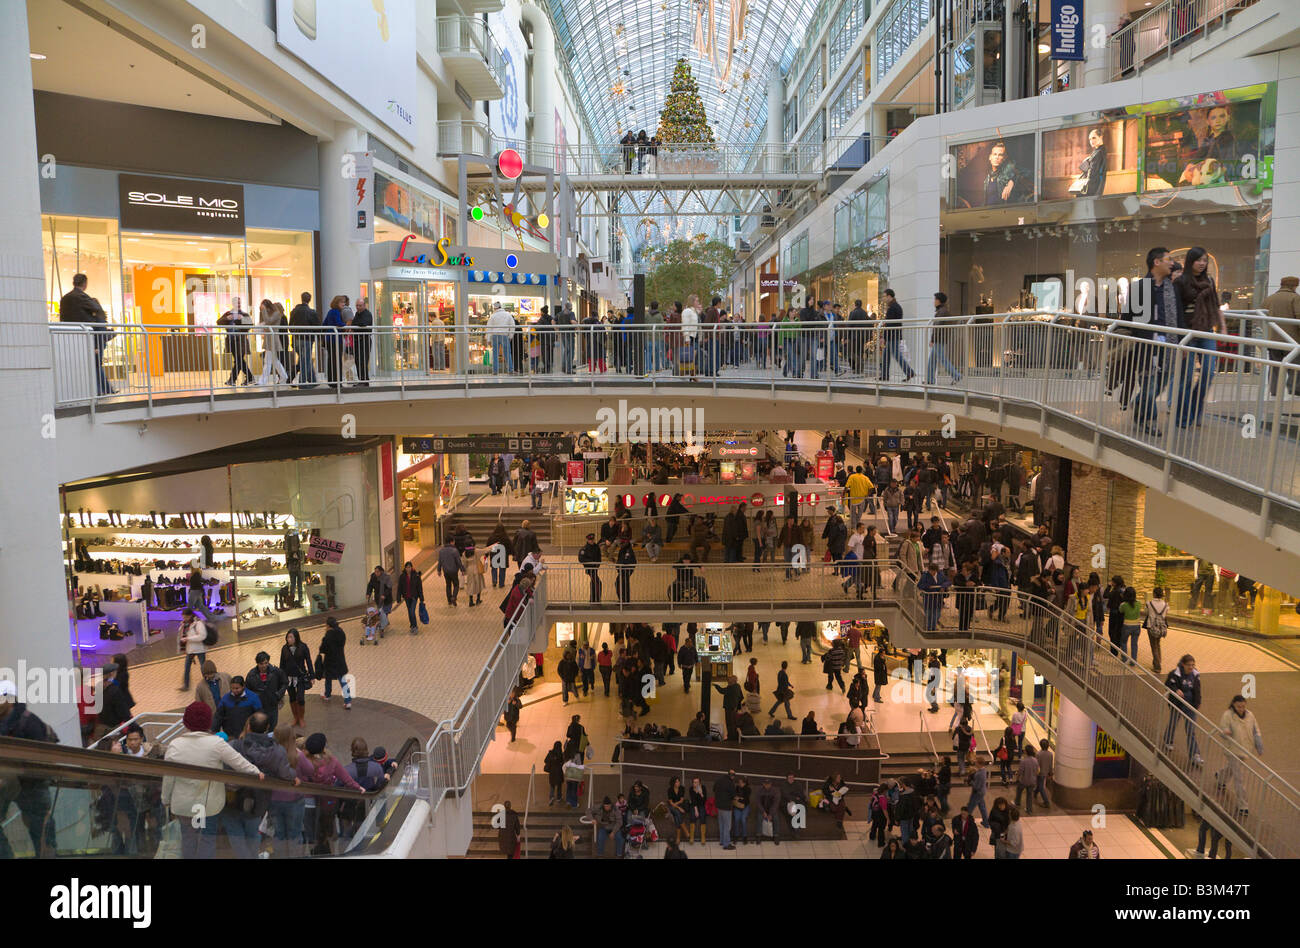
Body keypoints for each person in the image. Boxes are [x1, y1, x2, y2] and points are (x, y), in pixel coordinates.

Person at [161, 702, 263, 858]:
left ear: (186, 721)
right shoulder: (216, 743)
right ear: (209, 721)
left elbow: (169, 777)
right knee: (207, 839)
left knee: (188, 839)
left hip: (183, 805)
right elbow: (240, 763)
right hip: (207, 805)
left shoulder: (175, 745)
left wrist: (166, 799)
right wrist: (256, 772)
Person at [1173, 246, 1223, 428]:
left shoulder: (1209, 280)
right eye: (1198, 260)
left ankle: (1193, 412)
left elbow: (1216, 305)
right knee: (1186, 378)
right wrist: (1180, 339)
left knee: (1208, 373)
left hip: (1206, 331)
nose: (1202, 264)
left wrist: (1222, 327)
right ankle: (1182, 418)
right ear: (1190, 261)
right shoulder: (1180, 282)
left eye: (1204, 261)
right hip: (1187, 333)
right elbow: (1176, 312)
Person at [58, 272, 117, 395]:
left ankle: (102, 391)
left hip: (71, 335)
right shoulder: (82, 297)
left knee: (84, 365)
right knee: (95, 364)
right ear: (85, 284)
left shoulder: (65, 298)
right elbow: (97, 310)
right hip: (89, 336)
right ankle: (102, 391)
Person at [1218, 694, 1264, 814]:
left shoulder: (1250, 715)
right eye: (1239, 707)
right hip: (1232, 750)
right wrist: (1225, 732)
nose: (1241, 709)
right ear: (1234, 704)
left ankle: (1221, 778)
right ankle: (1243, 805)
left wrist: (1259, 745)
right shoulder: (1227, 715)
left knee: (1233, 768)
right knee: (1239, 778)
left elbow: (1256, 730)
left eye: (1243, 706)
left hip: (1245, 749)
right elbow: (1222, 730)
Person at [1163, 654, 1202, 764]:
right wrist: (1176, 690)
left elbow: (1198, 690)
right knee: (1173, 723)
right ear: (1183, 665)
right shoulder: (1175, 673)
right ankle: (1168, 740)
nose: (1191, 667)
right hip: (1177, 705)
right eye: (1189, 665)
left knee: (1191, 731)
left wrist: (1197, 702)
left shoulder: (1195, 674)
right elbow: (1168, 684)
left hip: (1190, 706)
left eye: (1193, 665)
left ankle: (1195, 754)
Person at [243, 651, 287, 731]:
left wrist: (278, 695)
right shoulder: (251, 674)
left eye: (266, 663)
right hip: (258, 706)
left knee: (272, 727)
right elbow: (247, 690)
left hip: (272, 705)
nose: (264, 666)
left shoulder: (276, 672)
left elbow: (284, 683)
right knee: (259, 727)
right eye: (261, 663)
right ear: (257, 663)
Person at [878, 289, 915, 382]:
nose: (884, 298)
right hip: (893, 335)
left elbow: (890, 324)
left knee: (897, 355)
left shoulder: (893, 307)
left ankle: (910, 372)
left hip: (892, 336)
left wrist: (884, 337)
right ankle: (884, 375)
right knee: (886, 356)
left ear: (890, 296)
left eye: (885, 296)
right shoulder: (895, 306)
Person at [926, 292, 963, 384]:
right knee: (932, 359)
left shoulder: (942, 312)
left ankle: (957, 376)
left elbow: (937, 327)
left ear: (939, 301)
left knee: (942, 359)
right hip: (940, 338)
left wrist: (933, 340)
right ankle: (930, 379)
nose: (933, 302)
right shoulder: (942, 311)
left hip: (939, 339)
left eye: (935, 299)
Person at [279, 629, 313, 728]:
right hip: (288, 677)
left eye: (291, 637)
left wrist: (312, 675)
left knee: (301, 698)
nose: (288, 639)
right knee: (292, 698)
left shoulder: (303, 647)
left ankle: (301, 718)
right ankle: (296, 717)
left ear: (296, 637)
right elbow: (282, 664)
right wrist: (281, 677)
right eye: (287, 637)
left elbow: (309, 661)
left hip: (300, 677)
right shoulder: (284, 648)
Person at [317, 616, 352, 710]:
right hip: (340, 660)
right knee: (343, 681)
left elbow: (322, 649)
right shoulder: (341, 632)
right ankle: (348, 701)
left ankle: (327, 695)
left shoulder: (328, 635)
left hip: (330, 661)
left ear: (328, 625)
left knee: (328, 679)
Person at [217, 298, 253, 386]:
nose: (239, 304)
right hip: (231, 340)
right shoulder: (228, 313)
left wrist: (241, 319)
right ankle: (249, 378)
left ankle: (232, 380)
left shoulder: (244, 314)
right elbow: (218, 322)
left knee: (238, 360)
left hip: (241, 340)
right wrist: (227, 318)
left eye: (240, 302)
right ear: (233, 304)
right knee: (239, 360)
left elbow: (250, 325)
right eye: (237, 303)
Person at [288, 291, 320, 385]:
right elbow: (317, 326)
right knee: (305, 360)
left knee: (305, 359)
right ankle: (302, 382)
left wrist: (295, 334)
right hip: (307, 339)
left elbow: (290, 326)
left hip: (296, 339)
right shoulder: (311, 312)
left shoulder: (294, 311)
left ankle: (313, 380)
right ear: (309, 300)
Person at [396, 561, 425, 634]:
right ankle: (412, 625)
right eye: (406, 567)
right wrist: (398, 597)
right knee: (409, 612)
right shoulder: (402, 576)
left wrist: (421, 598)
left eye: (409, 567)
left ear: (412, 568)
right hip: (406, 597)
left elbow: (419, 588)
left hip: (414, 597)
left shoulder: (416, 576)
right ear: (405, 568)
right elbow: (399, 587)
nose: (408, 569)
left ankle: (415, 626)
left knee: (412, 611)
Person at [434, 536, 463, 607]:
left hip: (446, 571)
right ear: (451, 542)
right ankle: (454, 597)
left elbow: (440, 561)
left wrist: (439, 570)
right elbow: (458, 562)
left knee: (448, 585)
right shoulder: (455, 550)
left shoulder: (441, 551)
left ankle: (449, 600)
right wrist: (462, 569)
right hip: (454, 571)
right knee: (456, 585)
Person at [1014, 744, 1039, 815]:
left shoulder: (1023, 761)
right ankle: (1029, 810)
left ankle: (1017, 802)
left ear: (1026, 752)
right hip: (1032, 781)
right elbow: (1037, 771)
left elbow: (1020, 772)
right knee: (1029, 795)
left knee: (1019, 791)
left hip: (1024, 781)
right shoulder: (1035, 760)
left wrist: (1017, 778)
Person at [578, 533, 602, 602]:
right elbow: (581, 559)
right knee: (597, 583)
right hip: (590, 569)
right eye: (590, 540)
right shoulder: (584, 549)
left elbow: (599, 557)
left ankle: (593, 599)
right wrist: (591, 562)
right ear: (587, 540)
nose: (591, 541)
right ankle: (597, 600)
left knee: (594, 583)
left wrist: (597, 565)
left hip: (595, 569)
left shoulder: (596, 547)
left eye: (592, 539)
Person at [966, 756, 990, 826]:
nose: (975, 763)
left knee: (970, 807)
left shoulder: (980, 774)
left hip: (977, 793)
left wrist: (970, 782)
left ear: (979, 763)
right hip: (981, 792)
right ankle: (986, 822)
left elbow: (976, 786)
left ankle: (965, 821)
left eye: (976, 762)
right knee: (982, 807)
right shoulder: (982, 770)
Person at [544, 741, 566, 805]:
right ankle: (559, 798)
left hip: (552, 772)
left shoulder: (550, 753)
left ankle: (551, 797)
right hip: (559, 772)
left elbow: (545, 760)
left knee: (552, 785)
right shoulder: (561, 754)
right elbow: (563, 762)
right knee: (559, 786)